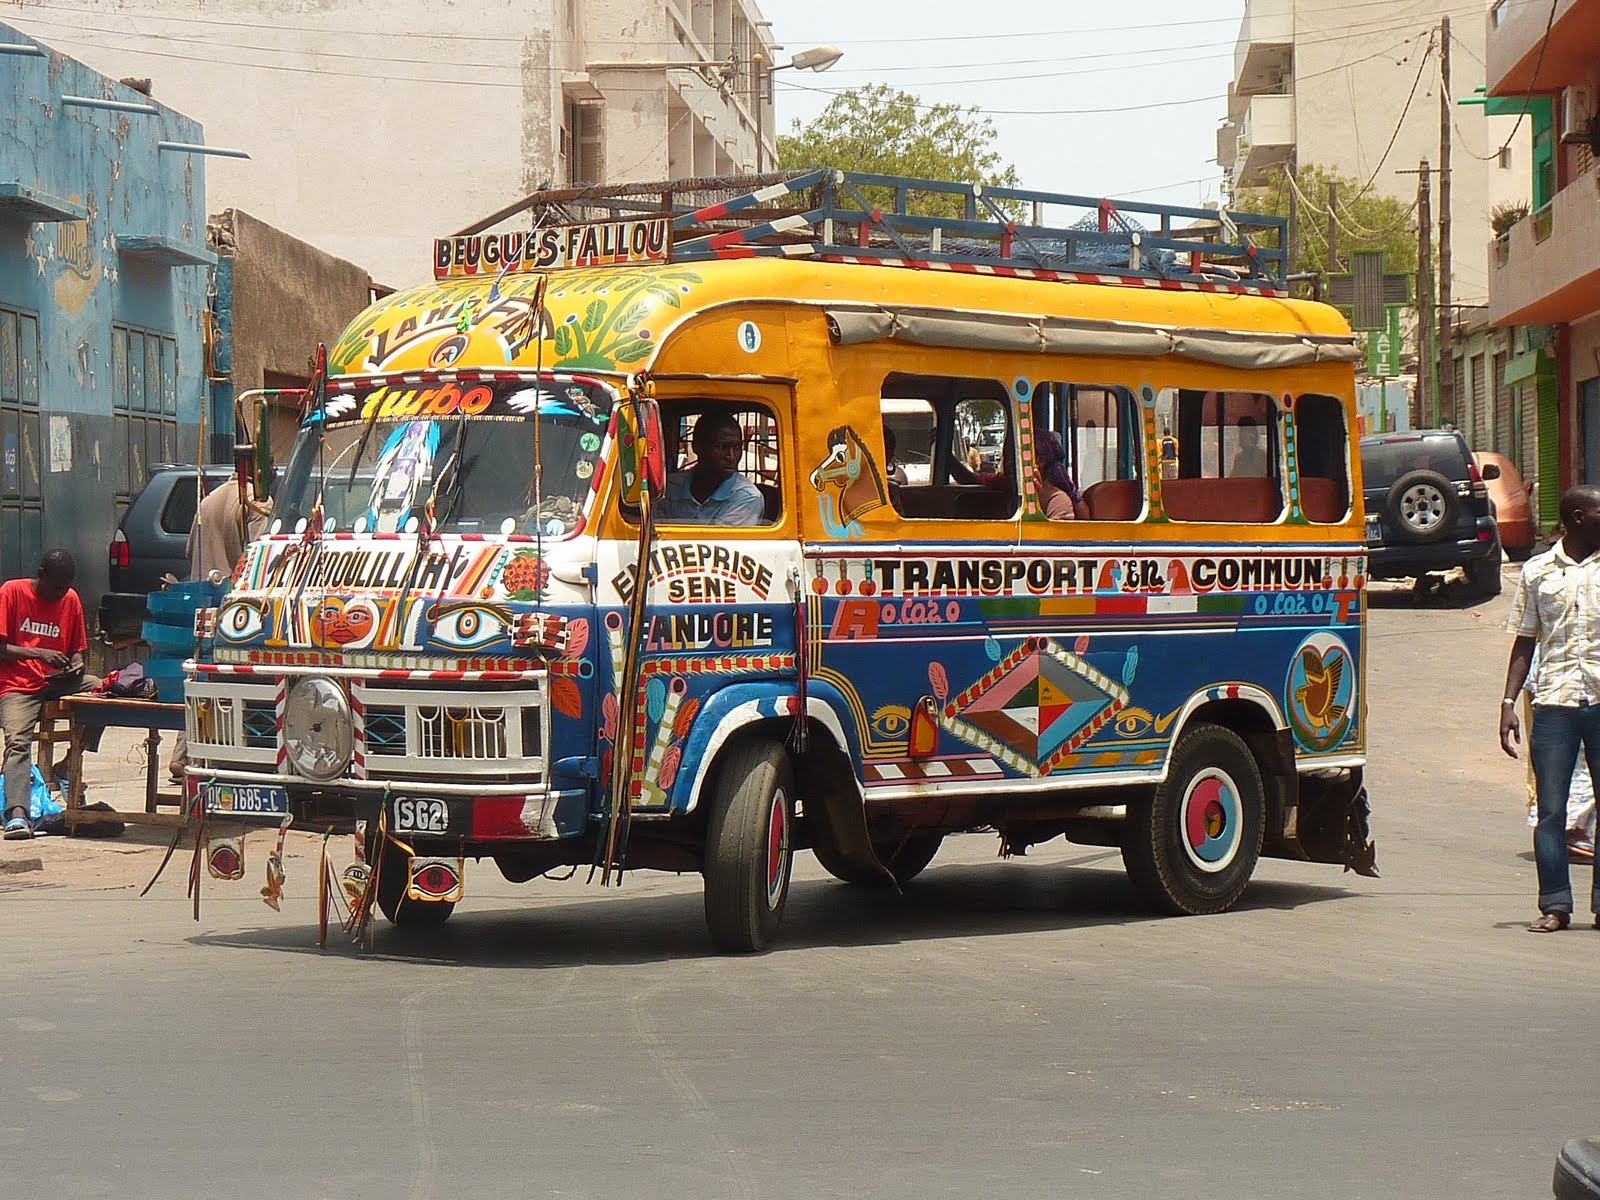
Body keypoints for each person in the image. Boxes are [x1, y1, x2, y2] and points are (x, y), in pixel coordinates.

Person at [1499, 484, 1600, 931]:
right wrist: (1507, 703)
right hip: (1555, 702)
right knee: (1551, 810)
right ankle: (1555, 905)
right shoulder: (1538, 571)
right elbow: (1525, 639)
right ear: (1579, 517)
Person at [170, 476, 269, 783]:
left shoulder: (207, 500)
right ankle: (231, 759)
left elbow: (191, 552)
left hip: (202, 602)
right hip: (235, 609)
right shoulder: (256, 503)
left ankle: (183, 755)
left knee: (200, 678)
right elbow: (259, 558)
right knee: (232, 684)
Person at [1, 550, 100, 839]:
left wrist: (77, 665)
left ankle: (69, 764)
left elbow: (77, 650)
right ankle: (17, 812)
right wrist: (38, 652)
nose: (60, 594)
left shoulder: (70, 599)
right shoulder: (11, 592)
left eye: (65, 588)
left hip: (55, 681)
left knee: (101, 690)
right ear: (41, 574)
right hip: (17, 683)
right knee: (18, 741)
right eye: (55, 588)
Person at [655, 411, 764, 526]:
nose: (731, 457)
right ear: (697, 446)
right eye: (721, 447)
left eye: (737, 447)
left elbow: (722, 542)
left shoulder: (747, 497)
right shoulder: (668, 489)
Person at [1033, 430, 1082, 520]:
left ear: (1039, 460)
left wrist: (1035, 502)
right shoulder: (1006, 492)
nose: (1008, 463)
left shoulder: (1057, 500)